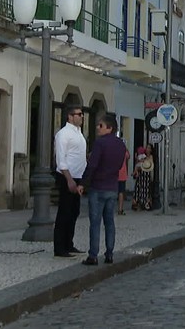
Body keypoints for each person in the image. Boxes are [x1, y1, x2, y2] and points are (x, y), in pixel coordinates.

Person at [79, 113, 124, 266]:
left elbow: (92, 165)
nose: (98, 128)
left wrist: (83, 183)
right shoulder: (121, 144)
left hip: (98, 187)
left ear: (109, 128)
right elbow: (119, 165)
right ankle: (109, 253)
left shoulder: (100, 143)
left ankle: (93, 255)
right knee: (110, 222)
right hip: (112, 186)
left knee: (95, 223)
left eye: (101, 125)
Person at [53, 105, 86, 258]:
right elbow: (61, 159)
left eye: (82, 114)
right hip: (67, 176)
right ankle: (60, 247)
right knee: (64, 212)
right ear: (70, 116)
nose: (82, 117)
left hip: (78, 177)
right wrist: (69, 179)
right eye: (79, 114)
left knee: (74, 211)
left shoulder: (79, 133)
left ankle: (69, 243)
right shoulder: (63, 134)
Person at [133, 145, 155, 210]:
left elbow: (149, 165)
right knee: (138, 188)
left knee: (146, 189)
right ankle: (137, 203)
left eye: (149, 148)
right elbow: (138, 163)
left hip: (146, 175)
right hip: (141, 175)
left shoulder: (150, 157)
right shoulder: (142, 155)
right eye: (147, 148)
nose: (147, 149)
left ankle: (146, 203)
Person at [116, 142, 130, 215]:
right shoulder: (124, 152)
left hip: (113, 174)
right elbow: (129, 156)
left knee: (112, 192)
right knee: (121, 192)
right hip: (122, 174)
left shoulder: (114, 151)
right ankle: (120, 209)